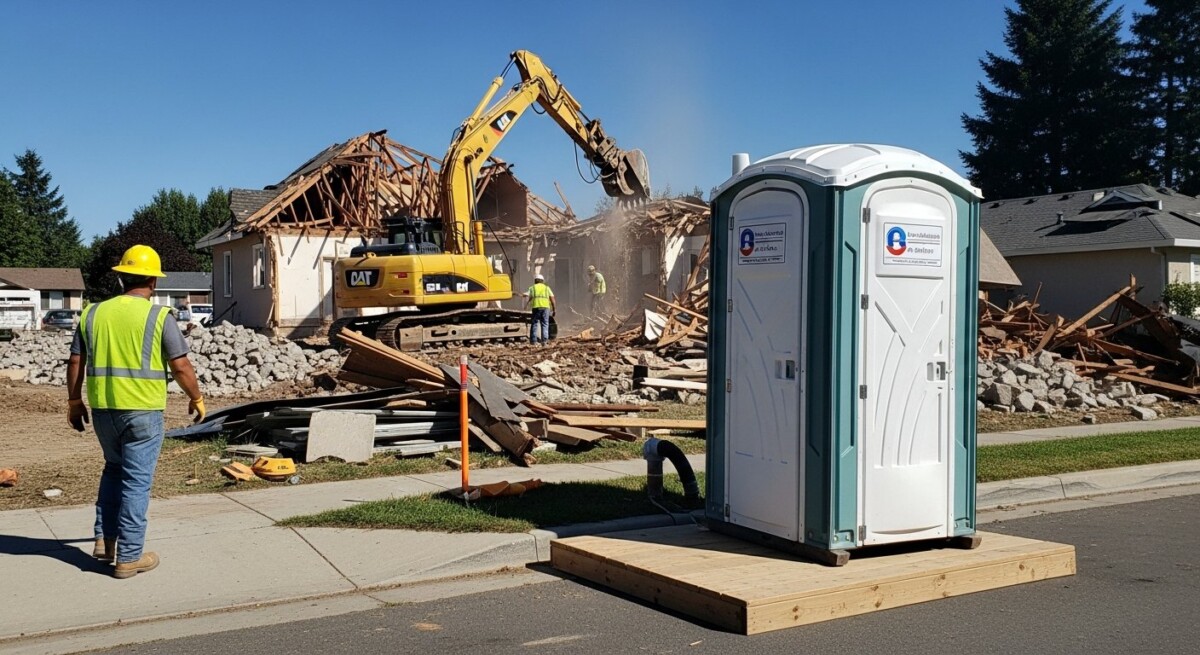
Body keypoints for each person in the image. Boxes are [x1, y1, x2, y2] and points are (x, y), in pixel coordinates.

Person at [66, 245, 206, 579]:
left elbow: (75, 361)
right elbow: (181, 365)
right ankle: (128, 557)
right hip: (142, 411)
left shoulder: (92, 313)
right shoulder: (159, 316)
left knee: (113, 471)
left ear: (120, 278)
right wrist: (196, 398)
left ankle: (105, 540)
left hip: (103, 410)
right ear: (154, 283)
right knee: (136, 482)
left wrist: (74, 402)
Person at [524, 273, 556, 345]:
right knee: (545, 324)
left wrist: (525, 304)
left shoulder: (532, 287)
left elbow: (527, 295)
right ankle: (544, 341)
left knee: (534, 323)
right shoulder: (547, 288)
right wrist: (554, 309)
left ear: (535, 281)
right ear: (542, 281)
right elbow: (552, 299)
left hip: (536, 308)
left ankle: (533, 341)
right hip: (545, 308)